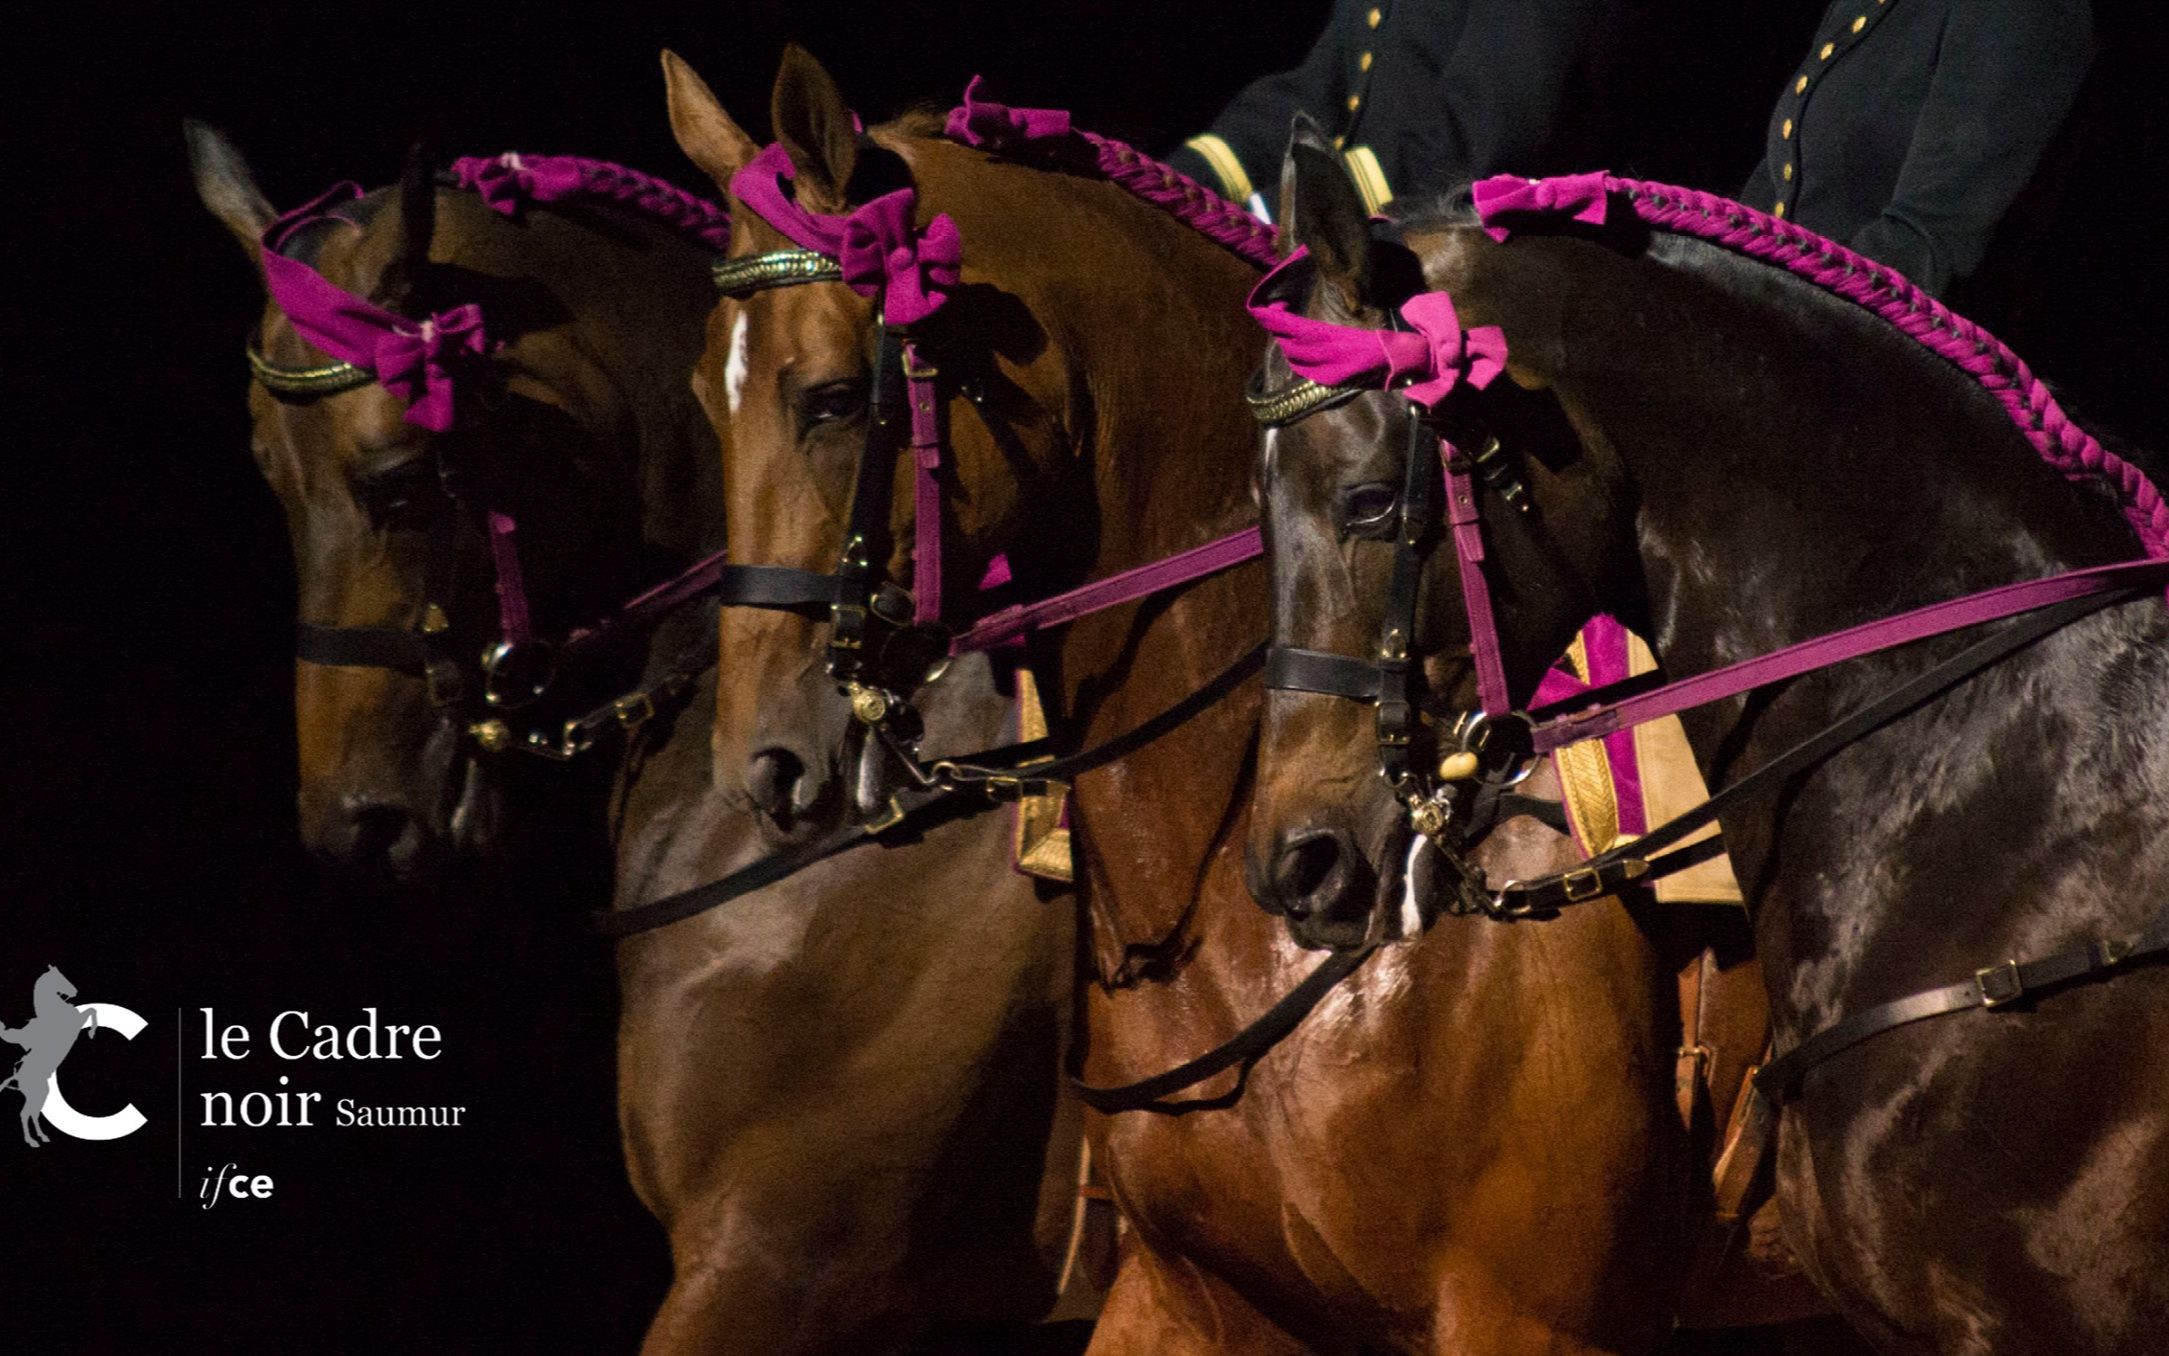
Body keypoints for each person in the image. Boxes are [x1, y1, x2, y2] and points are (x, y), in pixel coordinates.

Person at [1741, 0, 2094, 298]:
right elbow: (1779, 184)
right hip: (1775, 315)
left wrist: (1758, 302)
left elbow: (1919, 248)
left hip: (1857, 347)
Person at [1167, 0, 1627, 217]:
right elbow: (1317, 94)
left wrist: (1278, 214)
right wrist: (1176, 183)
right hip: (1371, 237)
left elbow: (1478, 136)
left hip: (1474, 260)